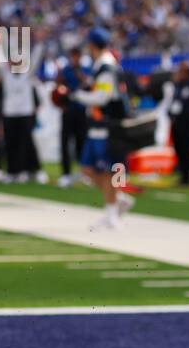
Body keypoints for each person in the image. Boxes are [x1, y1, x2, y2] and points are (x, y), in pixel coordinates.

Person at [74, 28, 133, 230]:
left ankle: (111, 215)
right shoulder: (101, 65)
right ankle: (119, 199)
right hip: (97, 126)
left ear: (92, 45)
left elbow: (103, 97)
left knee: (107, 171)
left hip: (107, 127)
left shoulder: (107, 67)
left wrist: (77, 96)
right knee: (87, 168)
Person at [0, 56, 42, 182]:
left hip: (25, 113)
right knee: (11, 143)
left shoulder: (27, 74)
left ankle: (34, 170)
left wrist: (41, 40)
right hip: (10, 113)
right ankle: (12, 171)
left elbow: (36, 59)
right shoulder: (6, 74)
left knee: (28, 143)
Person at [165, 58, 189, 185]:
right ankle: (183, 174)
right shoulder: (177, 85)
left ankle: (187, 176)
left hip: (187, 121)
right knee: (178, 148)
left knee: (186, 149)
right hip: (176, 121)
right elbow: (174, 102)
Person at [55, 54, 89, 187]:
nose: (75, 59)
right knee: (65, 142)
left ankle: (84, 173)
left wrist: (82, 78)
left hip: (81, 110)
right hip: (68, 110)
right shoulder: (66, 70)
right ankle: (66, 174)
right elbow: (58, 86)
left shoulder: (85, 69)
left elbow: (89, 85)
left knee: (81, 142)